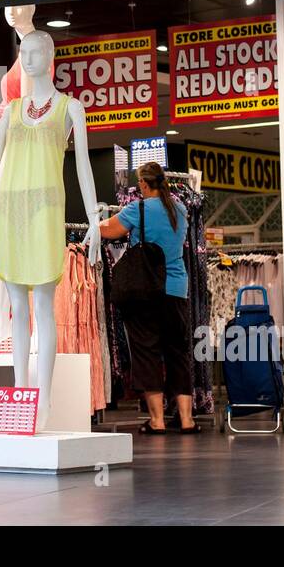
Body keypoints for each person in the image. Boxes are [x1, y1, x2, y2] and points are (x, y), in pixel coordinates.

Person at [98, 161, 197, 434]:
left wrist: (97, 223)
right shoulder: (180, 209)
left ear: (143, 184)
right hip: (176, 289)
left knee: (147, 352)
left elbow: (110, 230)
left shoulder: (138, 208)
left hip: (145, 290)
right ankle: (187, 420)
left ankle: (157, 421)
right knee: (178, 352)